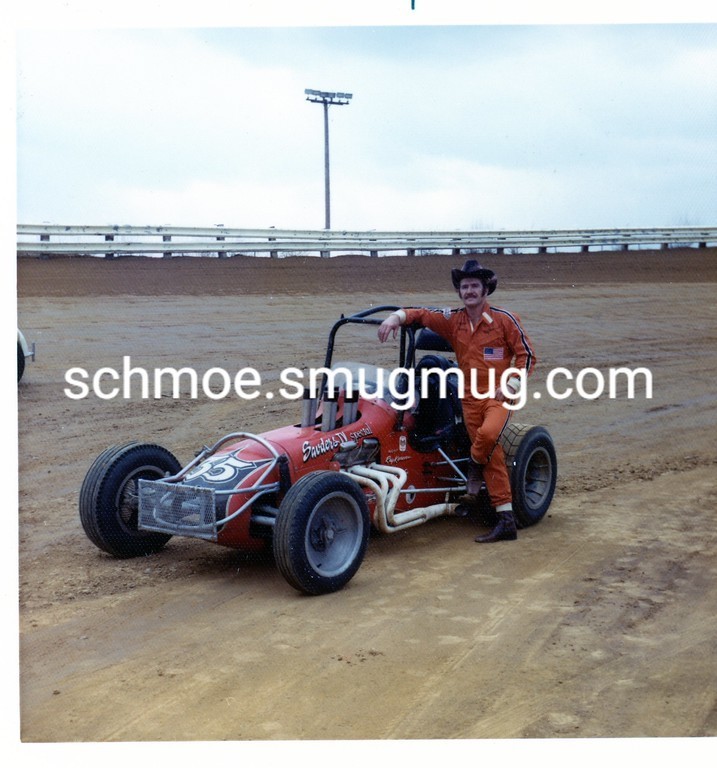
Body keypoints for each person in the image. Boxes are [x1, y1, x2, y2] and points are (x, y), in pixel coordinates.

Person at [377, 259, 536, 543]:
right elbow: (422, 314)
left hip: (498, 396)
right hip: (469, 399)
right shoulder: (454, 320)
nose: (469, 291)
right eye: (464, 287)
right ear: (459, 291)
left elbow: (527, 355)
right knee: (492, 454)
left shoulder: (504, 319)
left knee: (488, 436)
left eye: (474, 286)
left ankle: (473, 464)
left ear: (485, 289)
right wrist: (395, 317)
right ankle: (506, 520)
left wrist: (511, 384)